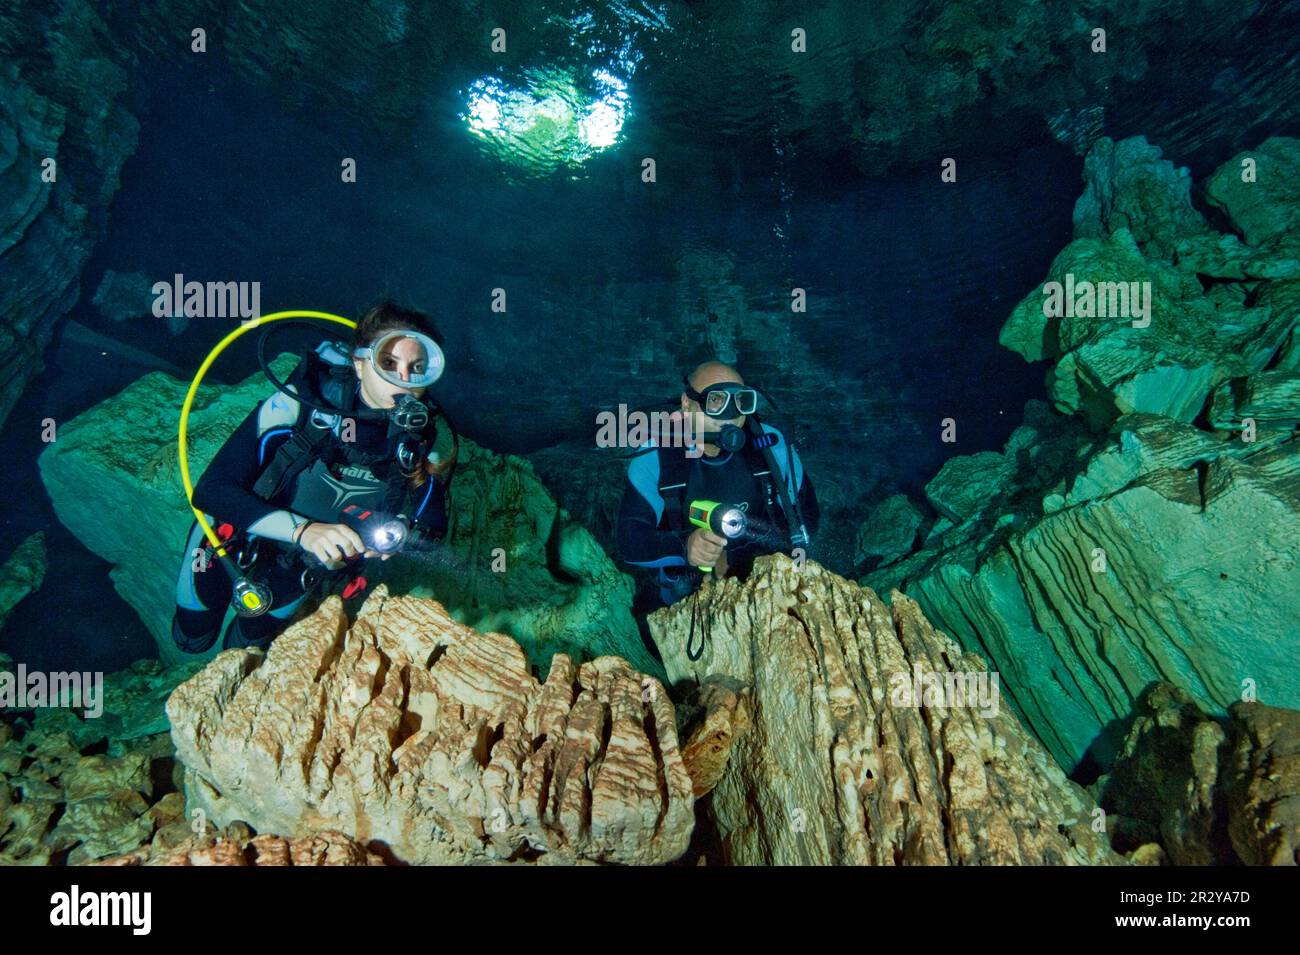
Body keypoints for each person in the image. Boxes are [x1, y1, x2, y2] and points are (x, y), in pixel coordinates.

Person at [171, 301, 457, 652]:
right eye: (389, 363)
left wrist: (398, 536)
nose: (404, 380)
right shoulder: (301, 405)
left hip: (299, 570)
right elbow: (212, 491)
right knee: (191, 637)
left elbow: (432, 523)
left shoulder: (425, 440)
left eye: (418, 368)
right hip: (228, 545)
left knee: (244, 651)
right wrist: (304, 531)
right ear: (359, 363)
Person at [617, 360, 819, 607]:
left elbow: (807, 519)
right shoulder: (655, 455)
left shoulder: (772, 446)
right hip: (685, 591)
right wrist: (685, 546)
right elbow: (630, 540)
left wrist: (737, 558)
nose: (731, 416)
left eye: (741, 401)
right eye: (715, 401)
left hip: (764, 582)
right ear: (687, 403)